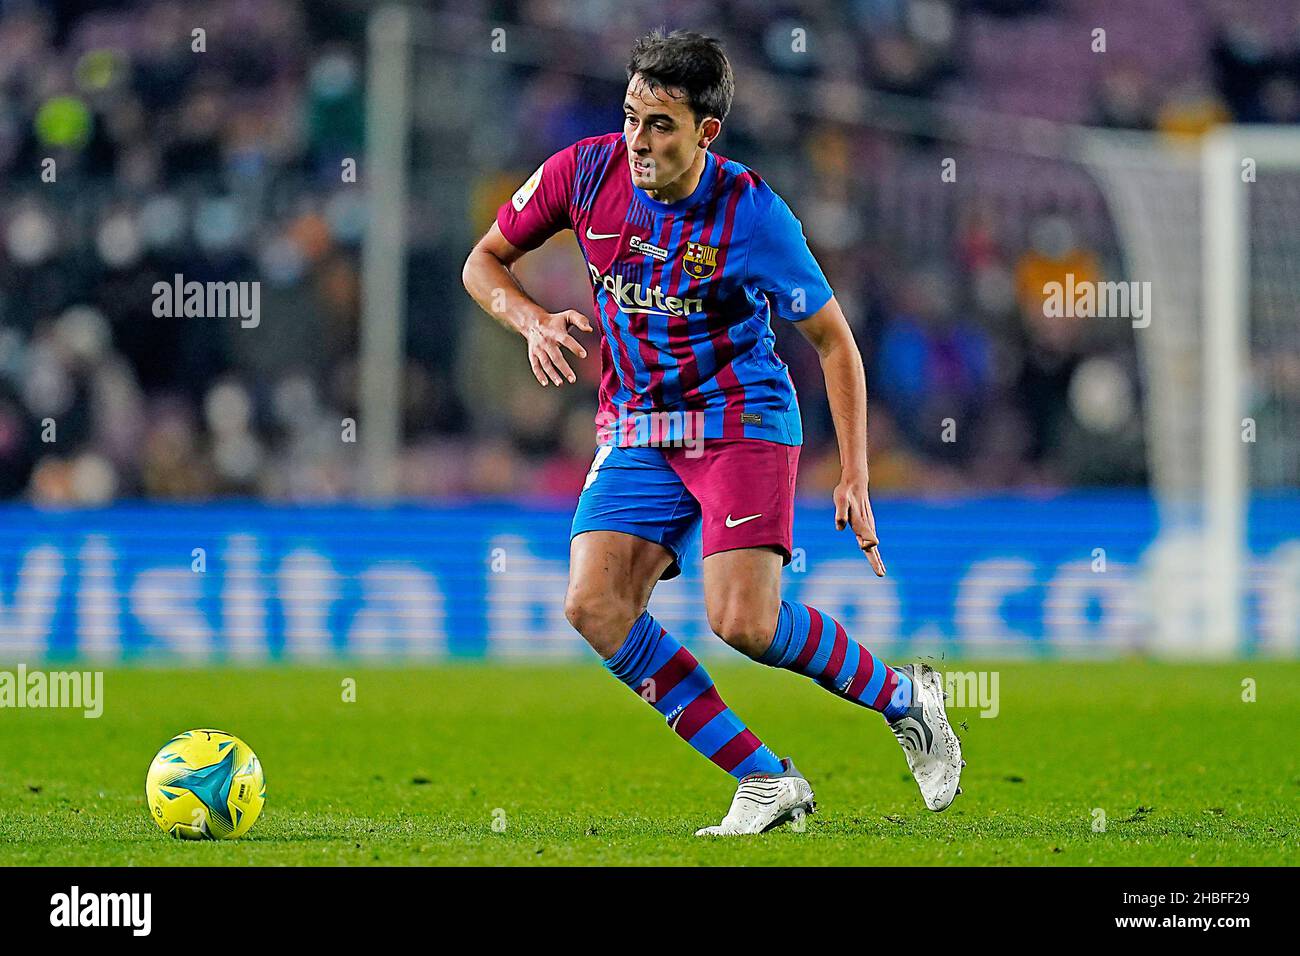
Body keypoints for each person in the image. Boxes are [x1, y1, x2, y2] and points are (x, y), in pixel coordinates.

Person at [462, 29, 963, 835]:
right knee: (594, 605)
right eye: (631, 117)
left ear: (706, 132)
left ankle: (907, 698)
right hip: (638, 426)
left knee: (744, 623)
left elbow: (835, 341)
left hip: (741, 420)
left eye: (660, 124)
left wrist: (855, 473)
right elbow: (483, 261)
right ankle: (767, 780)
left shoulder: (753, 215)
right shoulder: (581, 172)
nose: (639, 140)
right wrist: (526, 320)